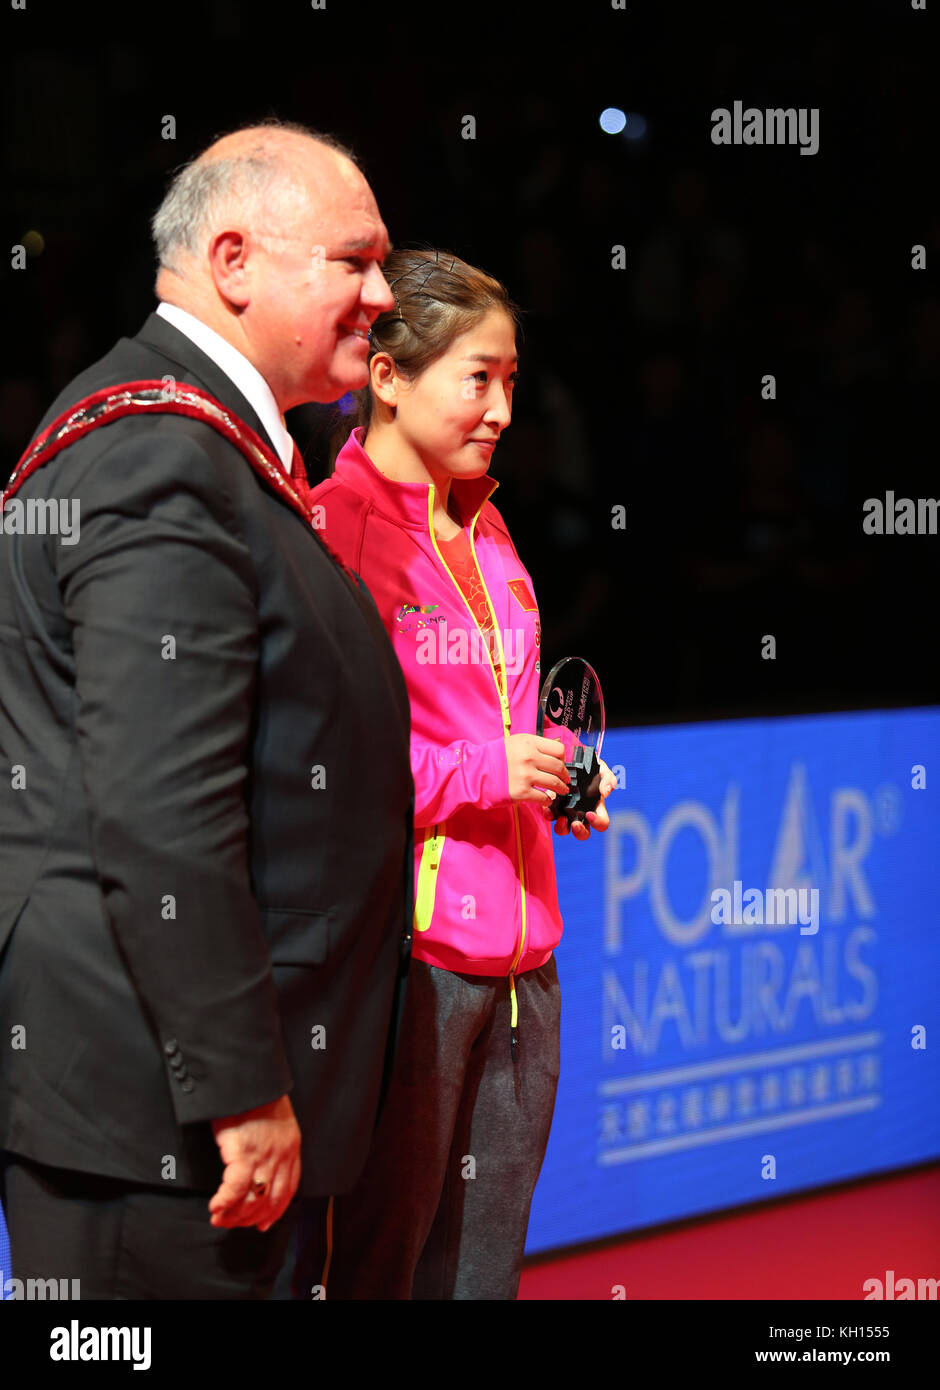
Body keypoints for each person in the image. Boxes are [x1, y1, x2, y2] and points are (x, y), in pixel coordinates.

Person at [0, 121, 414, 1299]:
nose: (385, 294)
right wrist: (238, 1085)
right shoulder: (157, 454)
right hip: (166, 1122)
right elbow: (159, 809)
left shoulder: (185, 437)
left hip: (173, 1110)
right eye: (356, 260)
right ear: (233, 262)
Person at [286, 248, 616, 1299]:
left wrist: (554, 779)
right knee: (385, 1267)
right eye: (478, 375)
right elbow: (317, 769)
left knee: (482, 1272)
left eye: (511, 378)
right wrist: (484, 770)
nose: (502, 407)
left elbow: (496, 721)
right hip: (414, 964)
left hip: (526, 963)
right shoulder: (337, 532)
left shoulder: (486, 521)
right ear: (387, 377)